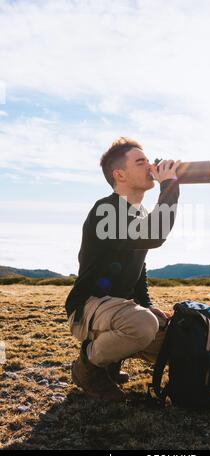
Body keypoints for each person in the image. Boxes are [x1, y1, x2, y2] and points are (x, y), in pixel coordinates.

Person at [65, 137, 181, 402]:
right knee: (142, 324)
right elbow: (156, 235)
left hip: (119, 307)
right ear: (119, 174)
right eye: (141, 162)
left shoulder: (139, 214)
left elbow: (139, 268)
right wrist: (170, 185)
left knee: (174, 336)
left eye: (148, 160)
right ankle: (88, 368)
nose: (150, 165)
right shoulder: (107, 209)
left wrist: (146, 303)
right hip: (88, 306)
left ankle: (109, 362)